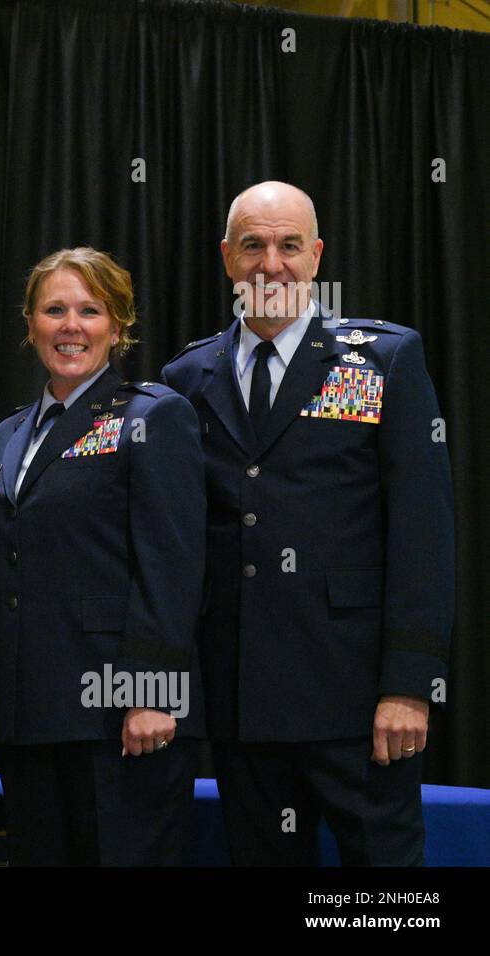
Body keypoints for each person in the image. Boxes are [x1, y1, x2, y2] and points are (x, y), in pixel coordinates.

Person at [161, 181, 455, 865]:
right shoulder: (186, 377)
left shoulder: (384, 359)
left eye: (289, 245)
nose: (272, 264)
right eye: (254, 246)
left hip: (357, 695)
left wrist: (409, 683)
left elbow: (425, 532)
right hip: (242, 693)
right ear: (228, 258)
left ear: (316, 255)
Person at [0, 248, 206, 865]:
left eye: (90, 310)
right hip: (29, 719)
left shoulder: (154, 416)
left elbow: (173, 562)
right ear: (30, 325)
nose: (70, 326)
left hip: (120, 719)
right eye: (54, 310)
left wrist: (153, 689)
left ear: (118, 325)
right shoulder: (6, 434)